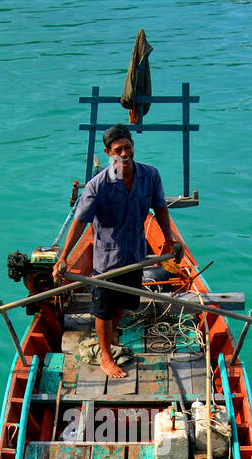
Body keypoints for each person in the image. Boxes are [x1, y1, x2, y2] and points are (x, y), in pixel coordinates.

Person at [53, 124, 183, 378]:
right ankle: (106, 356)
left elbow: (161, 209)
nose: (124, 153)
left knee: (124, 301)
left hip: (135, 256)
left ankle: (111, 339)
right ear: (108, 152)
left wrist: (169, 241)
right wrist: (64, 257)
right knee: (103, 309)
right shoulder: (97, 185)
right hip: (107, 260)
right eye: (118, 150)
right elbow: (80, 222)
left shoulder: (150, 175)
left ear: (133, 146)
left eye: (127, 147)